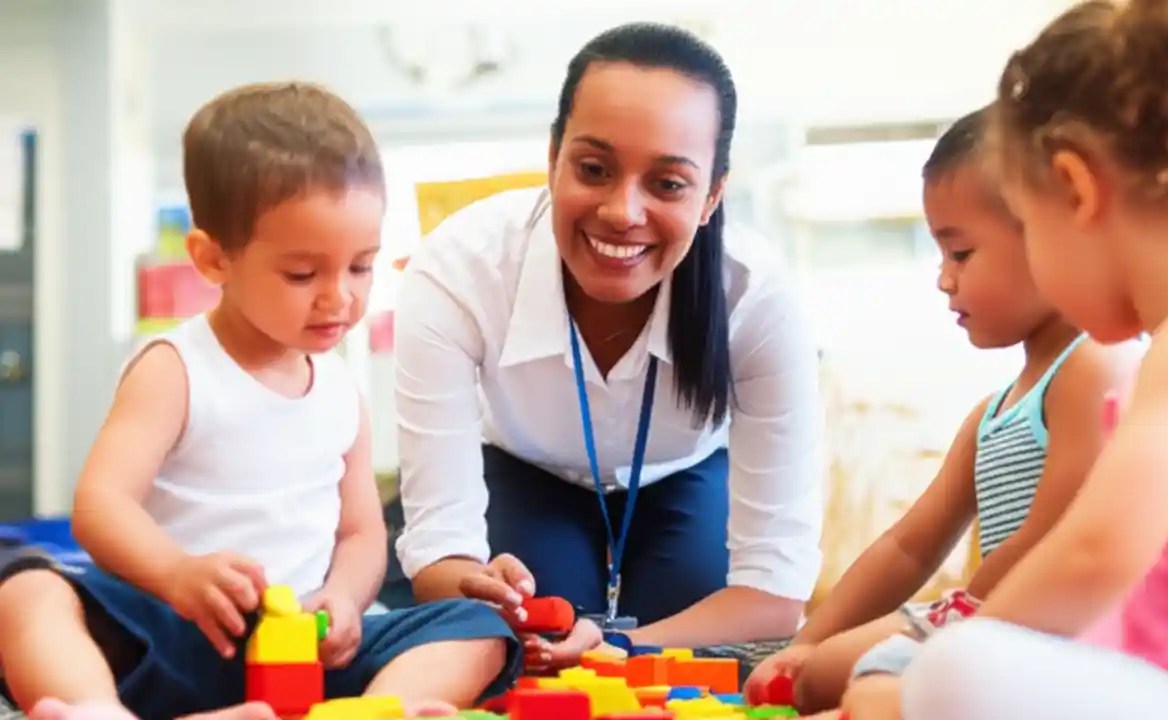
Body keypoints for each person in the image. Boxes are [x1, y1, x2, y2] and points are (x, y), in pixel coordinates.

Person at [815, 1, 1168, 719]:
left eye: (1029, 227)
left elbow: (1094, 556)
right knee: (907, 673)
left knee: (949, 667)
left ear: (1075, 188)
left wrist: (940, 660)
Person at [0, 82, 519, 720]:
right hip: (177, 634)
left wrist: (345, 600)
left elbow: (360, 532)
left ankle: (374, 711)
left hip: (303, 649)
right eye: (303, 274)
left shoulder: (338, 392)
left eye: (360, 267)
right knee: (26, 591)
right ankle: (96, 710)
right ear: (213, 258)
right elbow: (100, 507)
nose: (340, 298)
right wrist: (177, 575)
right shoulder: (176, 370)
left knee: (478, 626)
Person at [393, 22, 823, 666]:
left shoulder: (756, 297)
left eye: (669, 184)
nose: (623, 211)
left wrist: (621, 647)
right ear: (552, 159)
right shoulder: (459, 269)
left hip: (683, 475)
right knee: (523, 630)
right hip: (523, 470)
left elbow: (774, 592)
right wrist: (476, 588)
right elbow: (440, 550)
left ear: (712, 195)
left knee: (699, 641)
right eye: (594, 169)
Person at [746, 107, 1140, 713]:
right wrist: (808, 639)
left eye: (960, 253)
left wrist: (951, 614)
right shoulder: (993, 413)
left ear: (1049, 233)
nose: (943, 279)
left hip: (1056, 631)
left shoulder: (1097, 365)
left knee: (835, 679)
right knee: (815, 672)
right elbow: (908, 546)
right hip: (988, 620)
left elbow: (1055, 537)